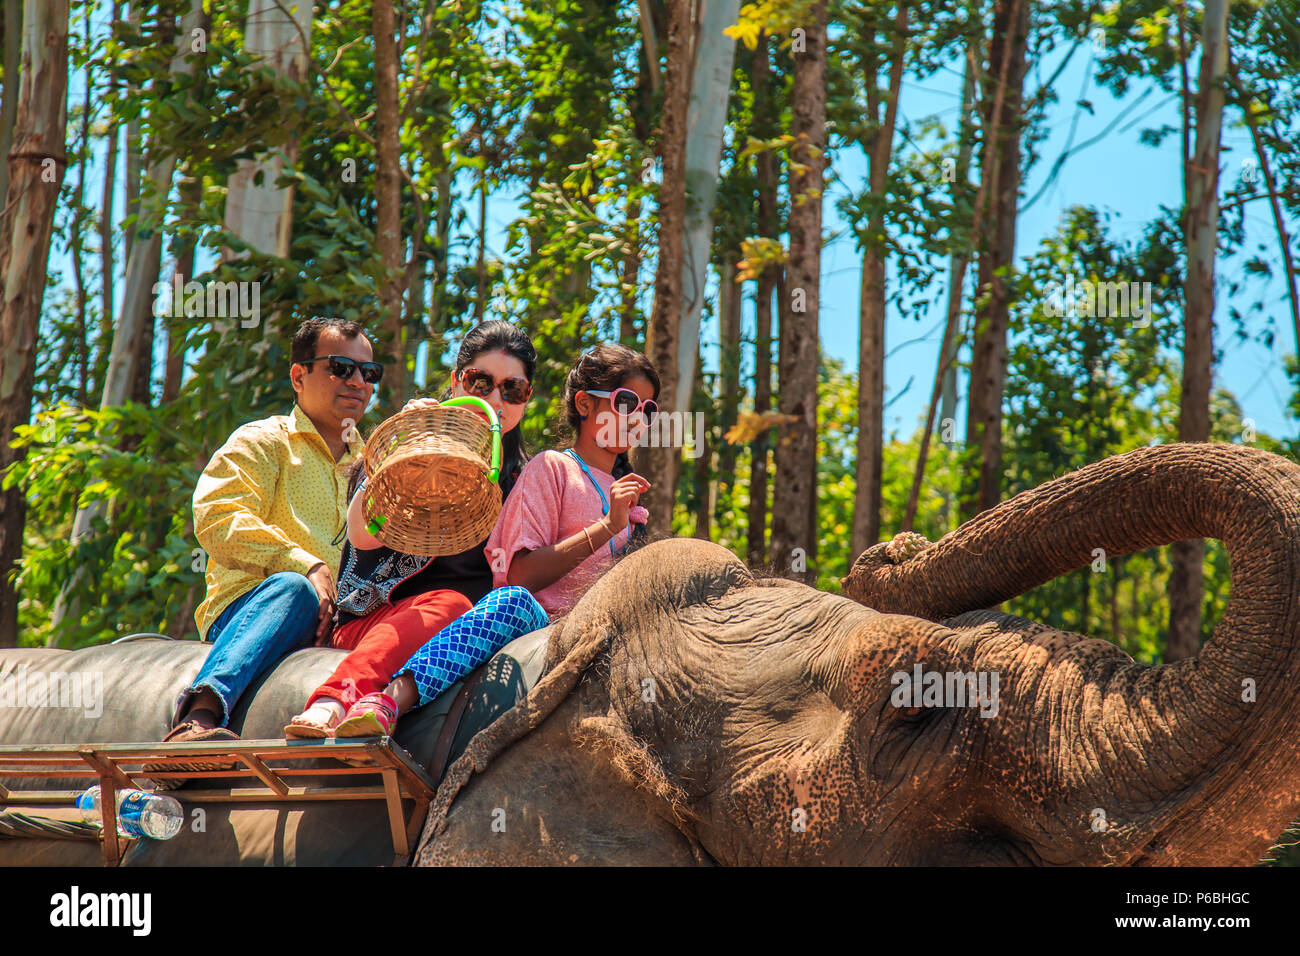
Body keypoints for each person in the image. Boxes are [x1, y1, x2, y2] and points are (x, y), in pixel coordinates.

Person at [339, 343, 659, 735]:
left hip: (598, 633)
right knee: (512, 601)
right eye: (626, 402)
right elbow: (519, 575)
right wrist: (607, 527)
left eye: (648, 410)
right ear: (584, 404)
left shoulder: (630, 498)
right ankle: (391, 698)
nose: (637, 418)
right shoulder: (551, 467)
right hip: (537, 623)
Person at [285, 321, 542, 737]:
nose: (496, 399)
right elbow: (365, 534)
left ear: (526, 399)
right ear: (457, 381)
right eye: (481, 382)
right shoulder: (410, 443)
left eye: (513, 389)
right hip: (378, 620)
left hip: (470, 634)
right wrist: (404, 452)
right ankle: (336, 698)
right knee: (451, 602)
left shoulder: (526, 480)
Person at [153, 317, 378, 780]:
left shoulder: (377, 465)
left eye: (368, 373)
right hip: (256, 607)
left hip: (344, 623)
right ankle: (198, 718)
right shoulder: (263, 441)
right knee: (294, 588)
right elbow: (218, 518)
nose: (357, 381)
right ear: (299, 376)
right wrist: (308, 567)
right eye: (341, 367)